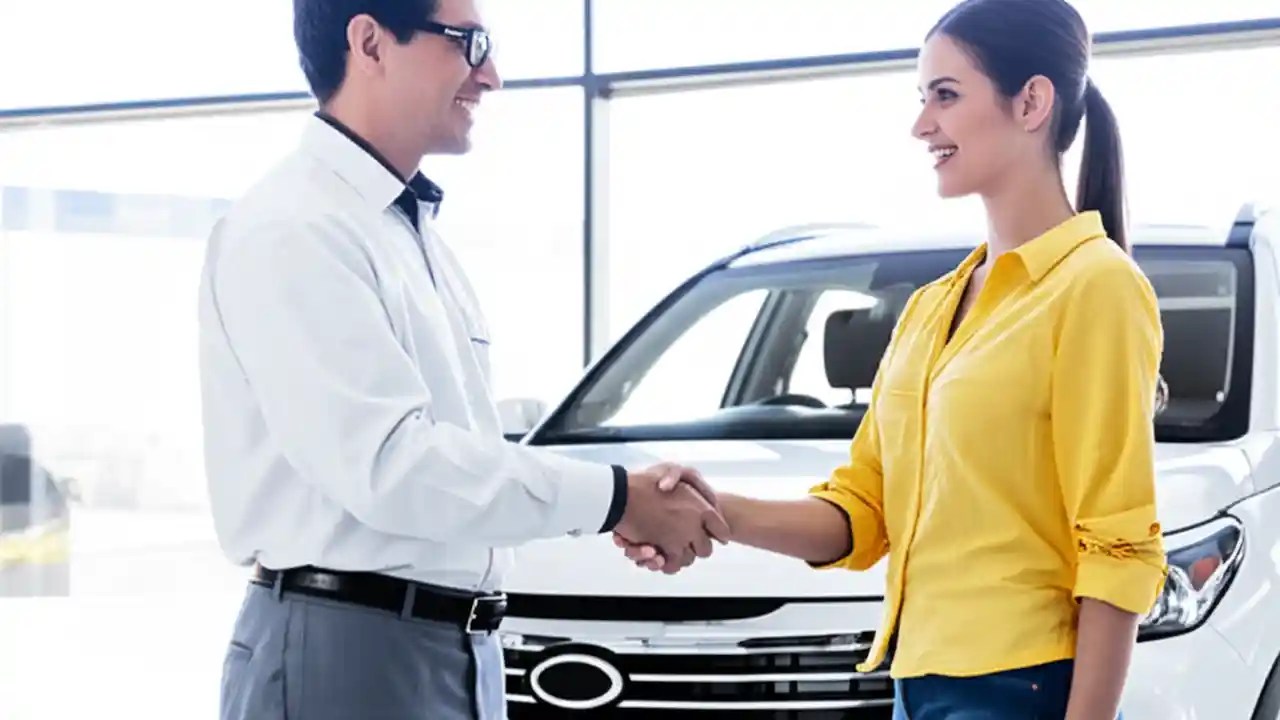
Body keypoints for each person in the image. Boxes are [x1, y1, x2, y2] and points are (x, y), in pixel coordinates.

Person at [616, 1, 1166, 718]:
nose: (922, 125)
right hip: (917, 683)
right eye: (923, 98)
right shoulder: (931, 307)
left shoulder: (1095, 286)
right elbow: (864, 512)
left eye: (946, 95)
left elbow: (1119, 548)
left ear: (1031, 100)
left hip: (1023, 684)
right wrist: (712, 508)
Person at [196, 1, 726, 718]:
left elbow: (454, 462)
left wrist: (616, 502)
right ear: (370, 42)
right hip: (348, 655)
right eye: (469, 43)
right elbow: (394, 466)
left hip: (453, 650)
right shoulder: (296, 228)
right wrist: (617, 498)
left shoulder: (403, 233)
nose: (492, 76)